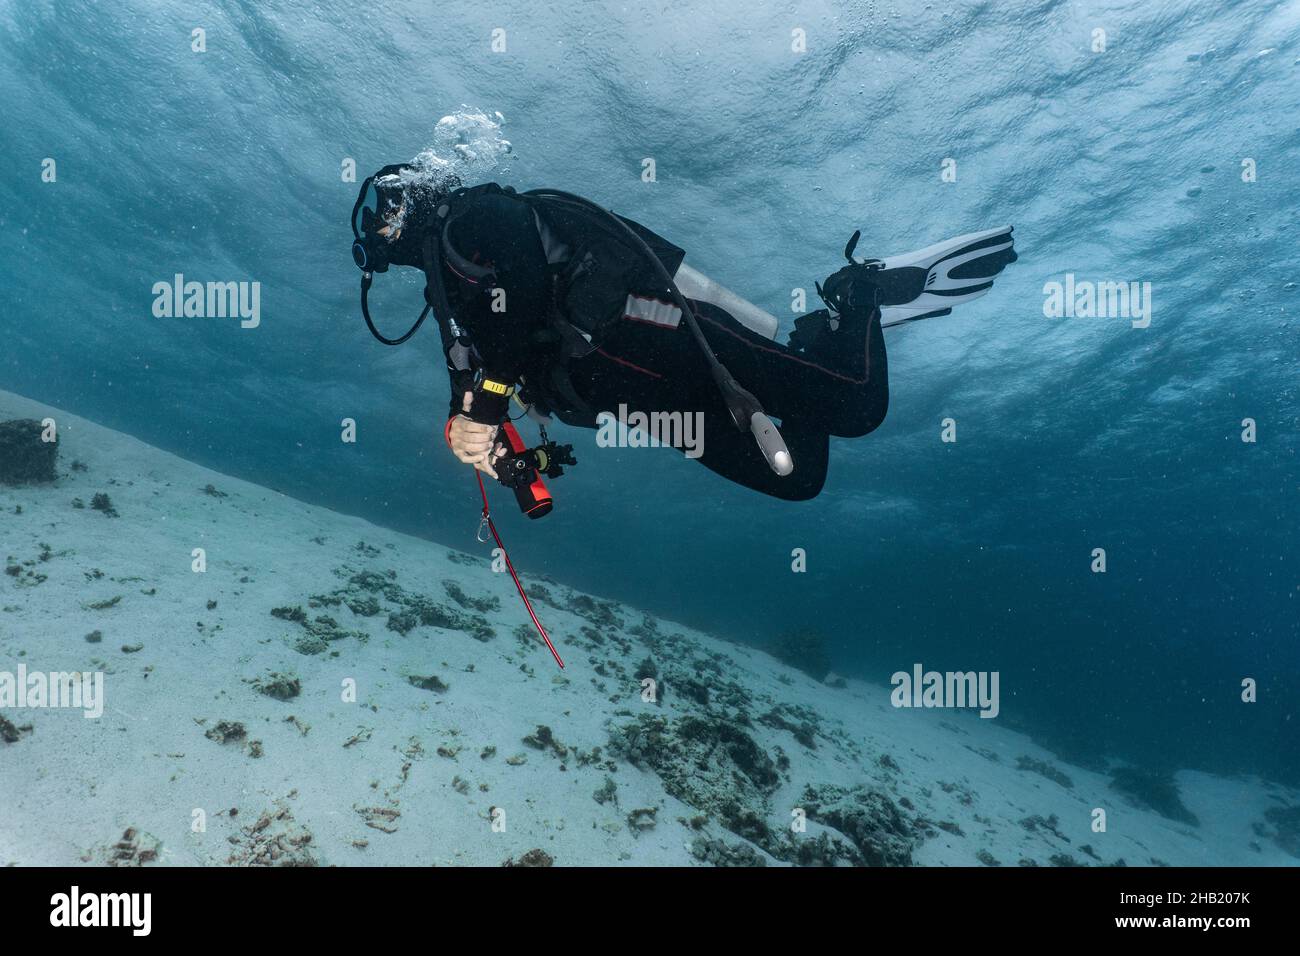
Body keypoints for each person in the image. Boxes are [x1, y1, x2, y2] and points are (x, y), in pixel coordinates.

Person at [349, 167, 1016, 501]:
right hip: (636, 401)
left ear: (420, 201)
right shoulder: (448, 291)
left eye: (383, 213)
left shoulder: (478, 219)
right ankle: (818, 342)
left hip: (663, 332)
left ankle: (858, 291)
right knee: (797, 479)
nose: (377, 234)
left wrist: (488, 403)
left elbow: (522, 303)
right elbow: (474, 377)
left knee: (858, 408)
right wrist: (493, 446)